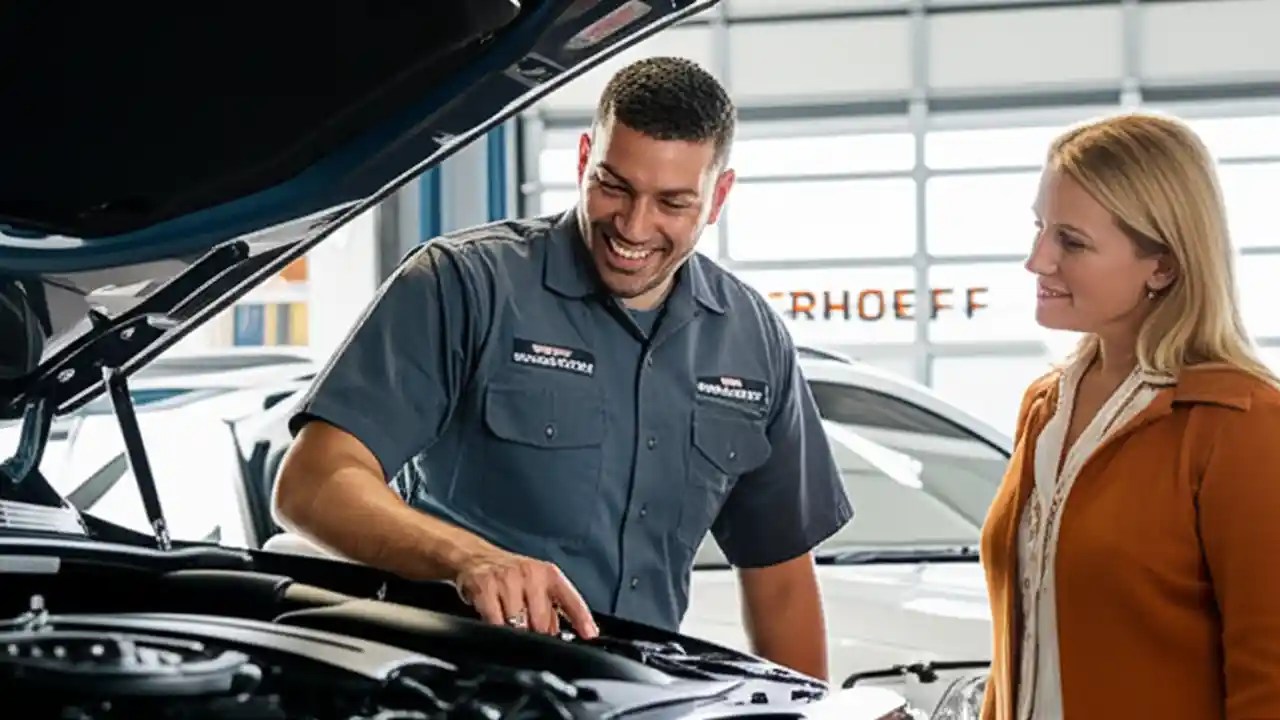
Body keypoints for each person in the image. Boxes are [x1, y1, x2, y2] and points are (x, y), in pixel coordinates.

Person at [271, 56, 852, 681]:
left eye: (672, 203)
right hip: (454, 693)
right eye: (614, 186)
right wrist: (469, 559)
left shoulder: (753, 339)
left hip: (637, 700)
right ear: (583, 159)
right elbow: (311, 484)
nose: (633, 226)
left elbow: (781, 581)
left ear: (719, 197)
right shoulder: (464, 286)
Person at [978, 111, 1280, 720]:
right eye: (1041, 228)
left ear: (1163, 265)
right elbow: (1021, 647)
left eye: (1072, 240)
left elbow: (1270, 680)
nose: (1038, 260)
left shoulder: (1242, 425)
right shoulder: (1046, 406)